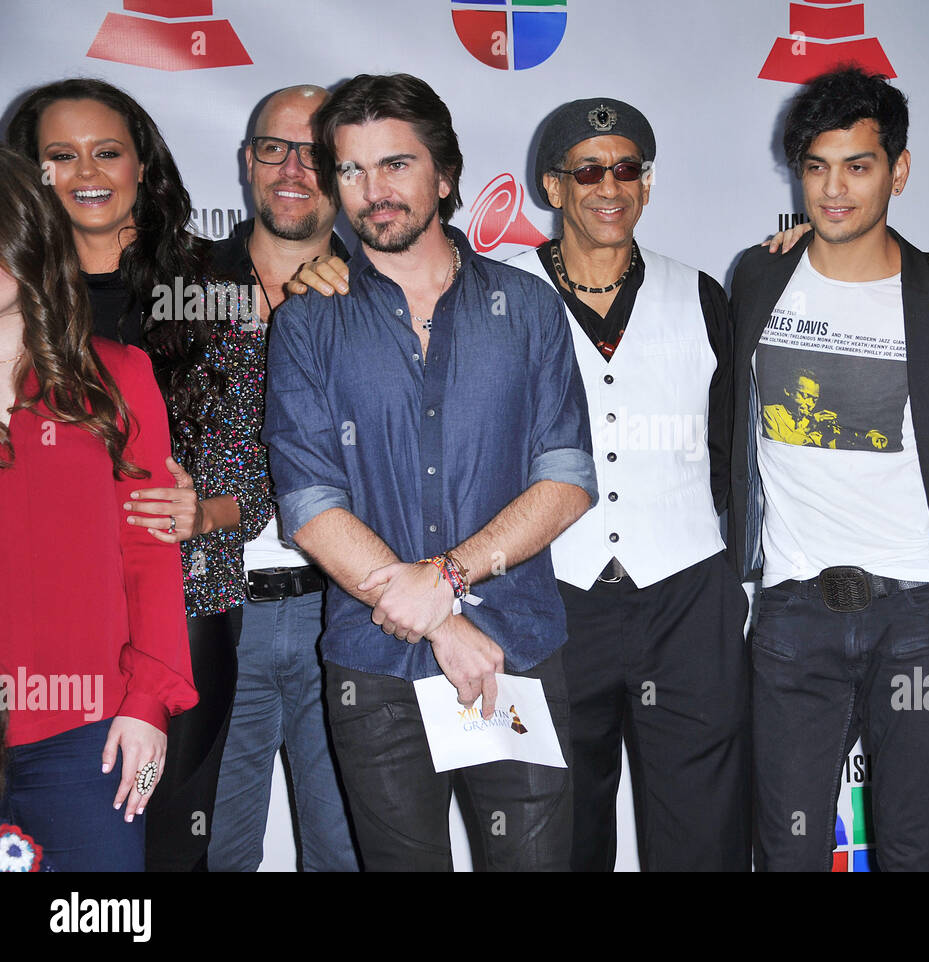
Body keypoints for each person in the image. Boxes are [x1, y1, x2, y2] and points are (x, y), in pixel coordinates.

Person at [262, 73, 597, 871]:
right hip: (375, 666)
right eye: (351, 171)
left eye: (396, 166)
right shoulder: (308, 321)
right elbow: (307, 501)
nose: (374, 192)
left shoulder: (529, 307)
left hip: (512, 649)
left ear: (444, 176)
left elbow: (567, 477)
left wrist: (449, 576)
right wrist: (440, 616)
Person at [8, 79, 273, 871]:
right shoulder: (13, 296)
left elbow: (266, 478)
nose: (86, 170)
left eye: (107, 150)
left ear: (143, 166)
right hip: (46, 632)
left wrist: (205, 513)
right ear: (30, 175)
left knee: (161, 850)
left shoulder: (213, 290)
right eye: (60, 155)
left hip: (179, 614)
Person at [729, 68, 929, 871]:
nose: (833, 189)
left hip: (925, 620)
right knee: (787, 850)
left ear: (899, 171)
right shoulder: (759, 277)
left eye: (858, 165)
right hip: (792, 613)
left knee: (916, 849)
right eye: (816, 167)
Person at [498, 97, 749, 871]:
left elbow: (728, 450)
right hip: (551, 598)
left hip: (686, 601)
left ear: (646, 184)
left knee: (702, 837)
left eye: (628, 169)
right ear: (552, 186)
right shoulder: (494, 296)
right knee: (562, 835)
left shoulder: (702, 294)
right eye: (589, 170)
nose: (611, 186)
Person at [0, 144, 198, 871]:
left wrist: (149, 702)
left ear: (33, 241)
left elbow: (150, 552)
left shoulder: (116, 376)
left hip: (90, 729)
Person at [205, 85, 359, 873]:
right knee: (212, 853)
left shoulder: (388, 291)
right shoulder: (179, 287)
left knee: (347, 853)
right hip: (214, 614)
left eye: (316, 153)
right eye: (276, 148)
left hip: (348, 613)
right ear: (247, 162)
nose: (294, 168)